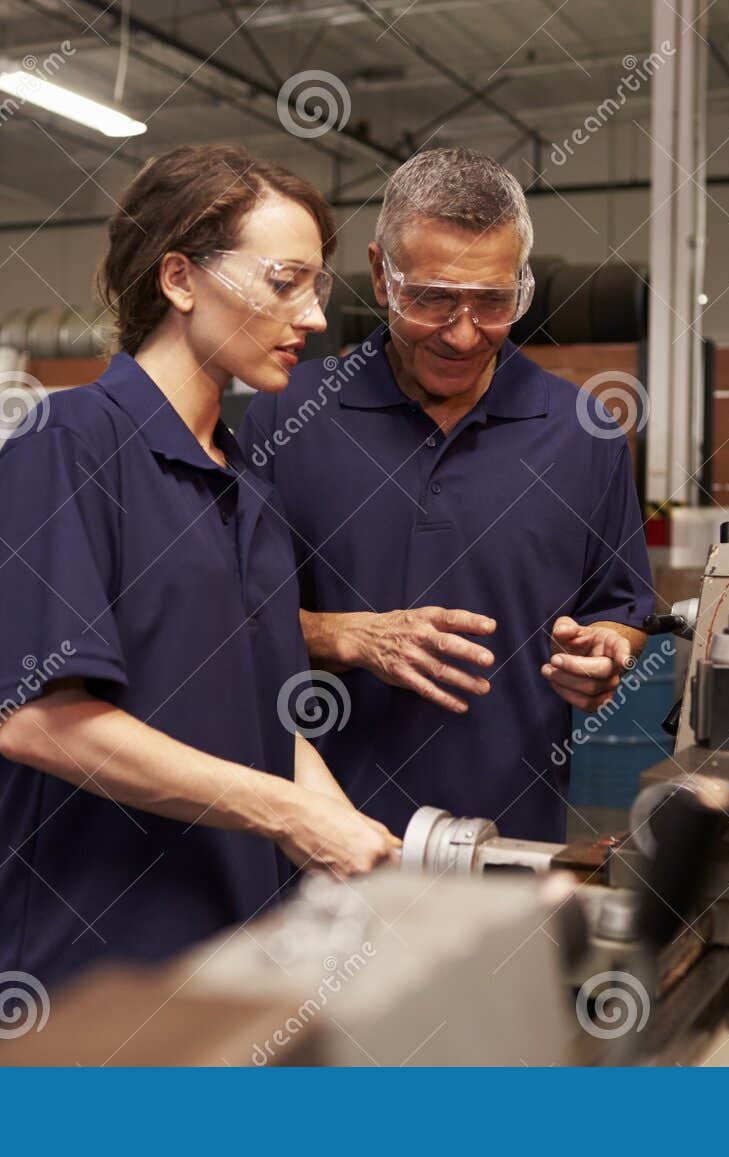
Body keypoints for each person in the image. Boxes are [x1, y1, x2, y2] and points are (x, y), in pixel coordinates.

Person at [0, 144, 398, 1060]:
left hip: (218, 968)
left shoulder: (245, 480)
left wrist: (350, 840)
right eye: (285, 281)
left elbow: (254, 709)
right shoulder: (65, 450)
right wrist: (292, 816)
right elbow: (44, 725)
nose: (312, 315)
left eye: (316, 286)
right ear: (181, 277)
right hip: (69, 989)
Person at [240, 148, 653, 844]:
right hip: (316, 838)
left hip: (511, 842)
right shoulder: (289, 416)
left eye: (493, 302)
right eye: (431, 298)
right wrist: (346, 636)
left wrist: (606, 654)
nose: (463, 334)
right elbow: (227, 617)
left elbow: (620, 607)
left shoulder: (584, 434)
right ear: (380, 274)